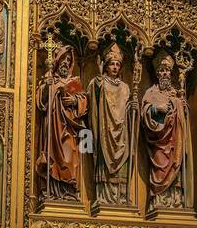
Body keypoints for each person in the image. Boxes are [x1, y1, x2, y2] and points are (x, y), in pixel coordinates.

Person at [36, 44, 88, 202]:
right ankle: (52, 191)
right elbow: (40, 101)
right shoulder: (49, 79)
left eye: (68, 60)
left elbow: (84, 101)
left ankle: (70, 192)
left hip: (69, 130)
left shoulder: (74, 82)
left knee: (70, 157)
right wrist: (47, 86)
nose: (65, 62)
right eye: (63, 59)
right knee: (52, 159)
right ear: (57, 62)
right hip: (53, 128)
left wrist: (74, 100)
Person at [139, 53, 190, 210]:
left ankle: (175, 200)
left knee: (176, 166)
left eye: (167, 70)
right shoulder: (150, 93)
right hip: (159, 141)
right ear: (156, 73)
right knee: (160, 169)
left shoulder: (176, 94)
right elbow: (144, 113)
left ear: (171, 72)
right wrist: (157, 109)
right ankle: (159, 200)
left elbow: (185, 119)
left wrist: (181, 106)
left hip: (175, 140)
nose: (164, 73)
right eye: (161, 70)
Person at [86, 43, 133, 206]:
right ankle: (104, 197)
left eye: (117, 64)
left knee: (123, 164)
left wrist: (134, 109)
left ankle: (121, 198)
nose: (114, 67)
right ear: (105, 65)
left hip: (122, 135)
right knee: (104, 162)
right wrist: (99, 79)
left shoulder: (126, 88)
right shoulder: (98, 82)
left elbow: (129, 113)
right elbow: (92, 101)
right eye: (112, 63)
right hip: (104, 133)